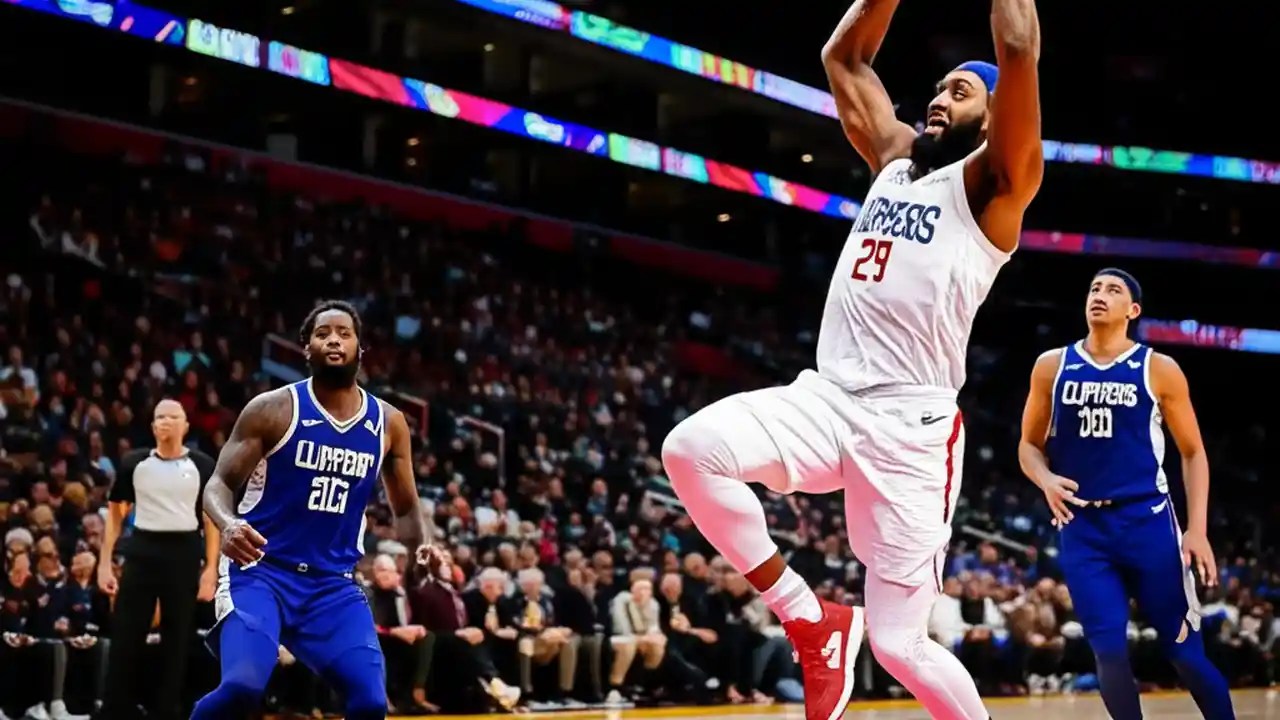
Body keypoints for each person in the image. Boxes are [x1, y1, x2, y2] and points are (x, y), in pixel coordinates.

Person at [660, 0, 1044, 715]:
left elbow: (1019, 47)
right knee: (689, 450)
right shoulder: (895, 161)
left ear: (994, 120)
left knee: (902, 646)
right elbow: (843, 58)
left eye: (960, 93)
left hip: (910, 430)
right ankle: (811, 618)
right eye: (937, 88)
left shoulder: (996, 186)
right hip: (828, 397)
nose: (937, 99)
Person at [190, 300, 432, 720]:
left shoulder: (388, 423)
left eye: (343, 333)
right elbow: (218, 484)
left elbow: (408, 507)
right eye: (323, 334)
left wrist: (423, 546)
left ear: (360, 348)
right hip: (260, 574)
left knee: (371, 702)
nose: (334, 340)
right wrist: (227, 525)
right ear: (306, 349)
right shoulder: (273, 409)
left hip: (331, 585)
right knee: (242, 689)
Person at [1018, 269, 1236, 720]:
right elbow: (1028, 446)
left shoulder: (1158, 368)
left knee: (1184, 654)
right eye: (1094, 288)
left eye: (1113, 290)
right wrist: (1046, 479)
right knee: (1109, 652)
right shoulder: (1051, 366)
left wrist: (1197, 530)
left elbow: (1193, 452)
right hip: (1084, 529)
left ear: (1132, 311)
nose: (1100, 295)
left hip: (1148, 522)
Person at [96, 399, 218, 720]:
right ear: (152, 426)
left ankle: (166, 711)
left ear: (185, 425)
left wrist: (211, 569)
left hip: (185, 551)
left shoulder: (204, 465)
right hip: (142, 546)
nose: (165, 421)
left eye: (172, 416)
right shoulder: (134, 462)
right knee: (126, 634)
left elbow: (210, 521)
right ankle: (114, 710)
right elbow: (115, 515)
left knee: (177, 639)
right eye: (159, 417)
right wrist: (105, 562)